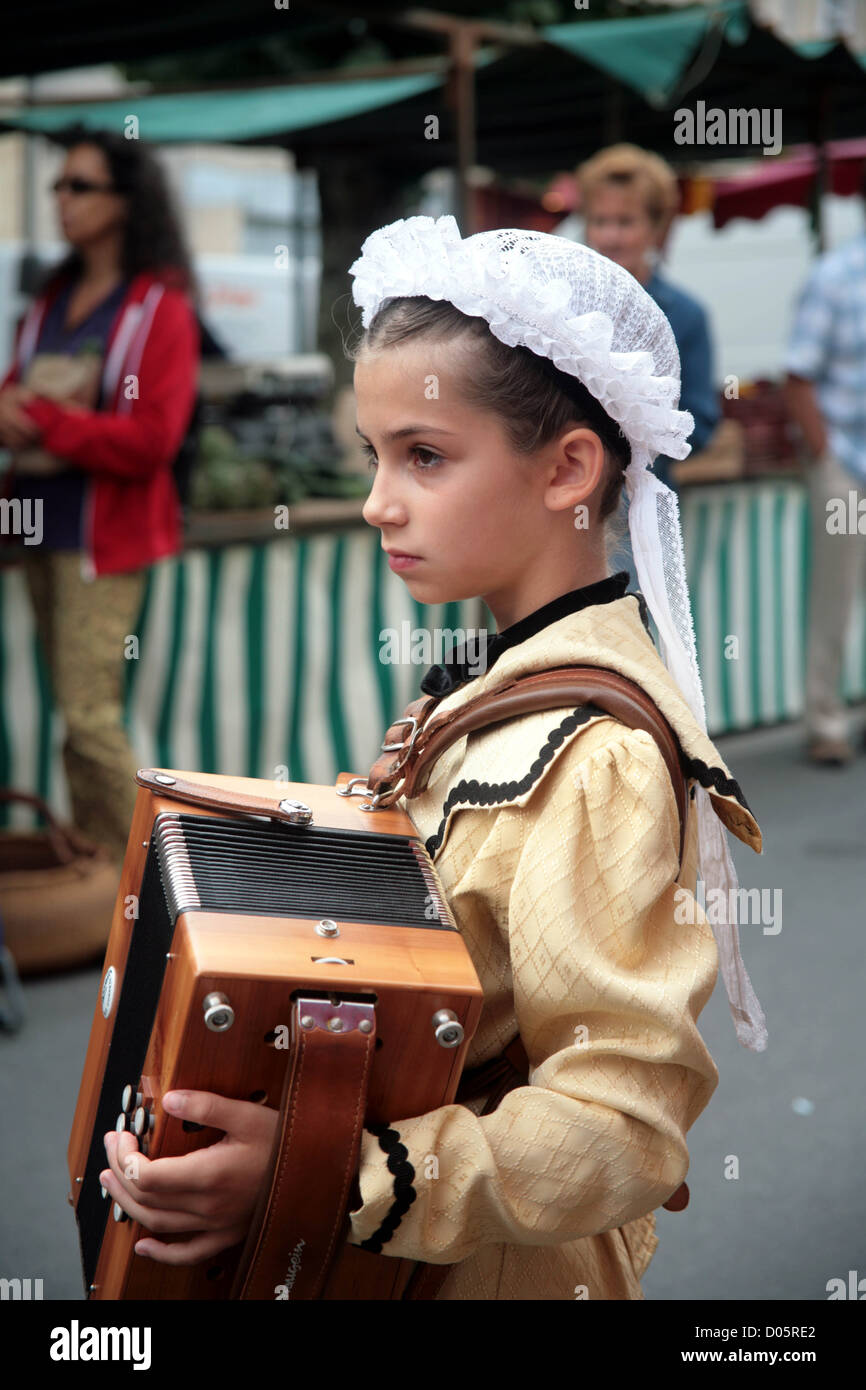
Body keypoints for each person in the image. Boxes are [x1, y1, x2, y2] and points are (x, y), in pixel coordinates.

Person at [98, 218, 766, 1301]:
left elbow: (623, 1128)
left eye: (424, 455)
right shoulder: (481, 677)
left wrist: (329, 1172)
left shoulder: (592, 753)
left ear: (567, 470)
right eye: (374, 455)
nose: (377, 502)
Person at [0, 125, 200, 860]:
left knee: (89, 718)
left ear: (125, 202)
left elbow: (153, 439)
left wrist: (47, 421)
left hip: (104, 537)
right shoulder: (52, 295)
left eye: (80, 186)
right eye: (58, 185)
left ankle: (150, 885)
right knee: (72, 715)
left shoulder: (159, 309)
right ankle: (98, 878)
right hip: (37, 526)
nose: (62, 199)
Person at [576, 144, 720, 591]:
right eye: (600, 221)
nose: (611, 236)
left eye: (626, 222)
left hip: (639, 508)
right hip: (561, 503)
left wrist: (637, 429)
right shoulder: (561, 304)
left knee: (632, 631)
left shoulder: (686, 315)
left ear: (657, 228)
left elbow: (701, 423)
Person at [783, 193, 866, 767]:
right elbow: (798, 373)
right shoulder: (837, 276)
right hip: (847, 463)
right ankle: (826, 721)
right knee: (835, 598)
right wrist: (825, 454)